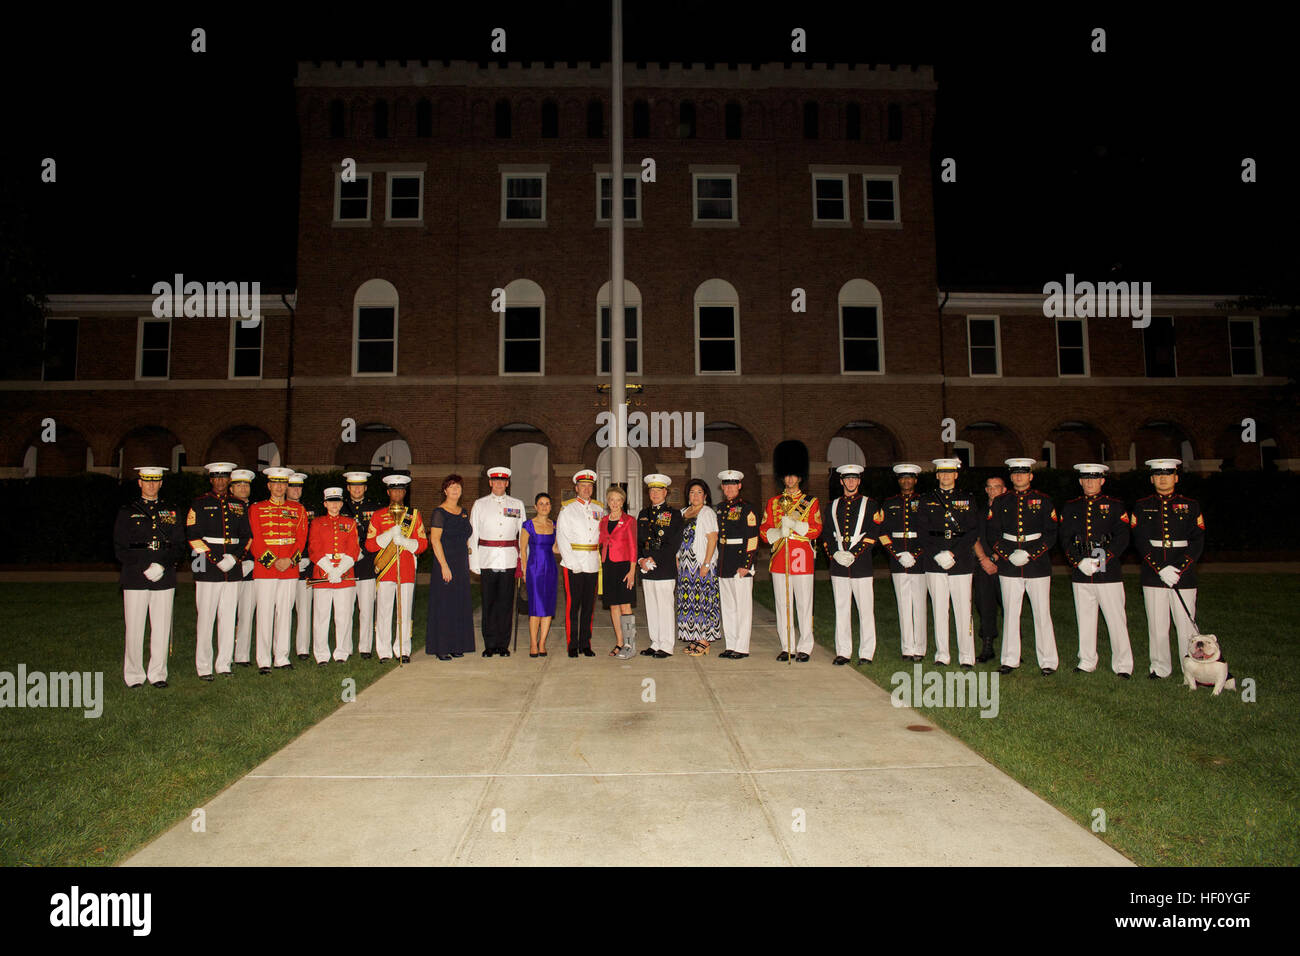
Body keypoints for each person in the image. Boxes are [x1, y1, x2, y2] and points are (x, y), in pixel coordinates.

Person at [1132, 458, 1205, 679]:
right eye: (1158, 475)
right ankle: (1160, 667)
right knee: (1157, 624)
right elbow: (1141, 540)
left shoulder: (1191, 505)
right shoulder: (1142, 505)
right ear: (1152, 478)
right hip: (1154, 574)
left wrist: (1179, 568)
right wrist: (1160, 567)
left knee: (1186, 625)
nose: (1163, 479)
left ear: (1176, 477)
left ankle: (1191, 668)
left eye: (1168, 474)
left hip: (1183, 574)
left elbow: (1198, 540)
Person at [114, 465, 185, 688]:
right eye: (147, 481)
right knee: (134, 628)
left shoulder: (171, 510)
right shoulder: (127, 511)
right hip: (135, 576)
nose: (151, 485)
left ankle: (158, 673)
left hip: (163, 576)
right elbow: (120, 547)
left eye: (156, 481)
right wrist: (145, 565)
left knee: (161, 627)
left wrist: (162, 565)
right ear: (140, 483)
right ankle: (134, 675)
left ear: (161, 483)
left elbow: (179, 545)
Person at [1060, 463, 1133, 678]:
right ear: (1080, 481)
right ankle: (1087, 660)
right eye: (1086, 479)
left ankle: (1123, 665)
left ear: (1102, 480)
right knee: (1085, 618)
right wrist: (1077, 561)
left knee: (1116, 620)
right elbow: (1064, 538)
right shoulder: (1071, 506)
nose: (1090, 482)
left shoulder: (1115, 506)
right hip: (1081, 571)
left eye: (1095, 478)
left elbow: (1122, 537)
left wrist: (1101, 560)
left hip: (1108, 573)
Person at [988, 457, 1059, 676]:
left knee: (1042, 612)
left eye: (1023, 473)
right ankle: (1009, 659)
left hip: (1037, 565)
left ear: (1031, 476)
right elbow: (992, 533)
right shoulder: (1000, 501)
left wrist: (1030, 553)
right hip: (1010, 566)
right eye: (1015, 473)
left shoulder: (1044, 500)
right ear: (1011, 476)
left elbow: (1051, 533)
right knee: (1010, 612)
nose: (1019, 476)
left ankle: (1048, 660)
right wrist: (1008, 554)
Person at [760, 440, 822, 662]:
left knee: (804, 604)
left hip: (802, 558)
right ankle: (788, 646)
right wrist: (777, 532)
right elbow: (764, 530)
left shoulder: (810, 502)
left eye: (793, 475)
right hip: (780, 560)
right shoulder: (774, 502)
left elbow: (816, 529)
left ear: (800, 477)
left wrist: (796, 525)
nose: (790, 479)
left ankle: (805, 646)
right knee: (782, 604)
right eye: (786, 475)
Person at [186, 461, 248, 680]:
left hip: (231, 569)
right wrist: (214, 559)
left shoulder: (239, 505)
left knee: (229, 617)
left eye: (224, 477)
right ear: (211, 480)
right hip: (208, 569)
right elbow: (193, 537)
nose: (221, 481)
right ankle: (204, 666)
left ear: (229, 480)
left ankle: (224, 663)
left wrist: (233, 558)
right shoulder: (199, 504)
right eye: (217, 477)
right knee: (206, 618)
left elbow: (246, 537)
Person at [917, 458, 979, 668]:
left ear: (956, 475)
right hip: (935, 562)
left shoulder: (967, 499)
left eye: (949, 473)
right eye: (941, 473)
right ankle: (942, 654)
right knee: (939, 609)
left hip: (960, 561)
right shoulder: (926, 500)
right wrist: (937, 553)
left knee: (963, 610)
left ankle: (966, 656)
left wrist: (953, 553)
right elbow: (922, 532)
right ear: (937, 476)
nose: (945, 476)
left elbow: (972, 531)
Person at [248, 466, 310, 674]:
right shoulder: (256, 509)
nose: (279, 487)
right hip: (266, 569)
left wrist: (290, 561)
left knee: (285, 613)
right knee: (265, 613)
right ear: (269, 485)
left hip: (289, 569)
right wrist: (273, 561)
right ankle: (264, 659)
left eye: (283, 483)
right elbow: (255, 540)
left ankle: (282, 656)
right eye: (275, 483)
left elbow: (301, 540)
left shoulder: (298, 510)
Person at [823, 463, 881, 665]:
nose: (850, 482)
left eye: (854, 479)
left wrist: (854, 553)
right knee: (841, 609)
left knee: (865, 610)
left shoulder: (870, 504)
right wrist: (834, 554)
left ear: (859, 481)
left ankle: (866, 652)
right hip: (839, 564)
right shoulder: (832, 505)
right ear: (841, 481)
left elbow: (874, 534)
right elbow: (827, 534)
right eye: (847, 479)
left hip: (861, 564)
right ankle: (843, 651)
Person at [366, 473, 427, 663]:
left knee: (404, 612)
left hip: (406, 570)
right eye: (394, 490)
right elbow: (369, 545)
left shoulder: (413, 516)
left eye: (400, 490)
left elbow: (423, 544)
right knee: (384, 612)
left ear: (404, 492)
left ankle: (403, 649)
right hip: (385, 571)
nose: (397, 493)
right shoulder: (378, 515)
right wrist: (387, 537)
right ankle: (383, 651)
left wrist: (406, 542)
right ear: (388, 492)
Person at [468, 466, 526, 658]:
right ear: (490, 483)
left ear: (507, 483)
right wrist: (474, 562)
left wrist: (522, 561)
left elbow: (523, 535)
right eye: (496, 481)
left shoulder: (517, 504)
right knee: (489, 603)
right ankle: (489, 644)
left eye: (503, 481)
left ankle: (503, 644)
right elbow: (473, 533)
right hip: (487, 558)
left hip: (509, 559)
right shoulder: (480, 504)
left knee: (506, 603)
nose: (500, 484)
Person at [876, 464, 928, 661]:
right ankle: (907, 648)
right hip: (898, 560)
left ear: (915, 480)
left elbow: (928, 533)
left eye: (910, 478)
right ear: (898, 481)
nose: (906, 482)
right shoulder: (889, 503)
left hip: (919, 559)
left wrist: (915, 553)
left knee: (919, 605)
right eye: (902, 478)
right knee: (903, 604)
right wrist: (897, 554)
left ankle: (920, 648)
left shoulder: (924, 502)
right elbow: (882, 533)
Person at [307, 487, 360, 664]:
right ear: (325, 504)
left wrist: (340, 570)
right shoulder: (316, 522)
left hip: (345, 574)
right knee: (321, 616)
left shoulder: (350, 523)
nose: (334, 505)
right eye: (330, 501)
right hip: (323, 573)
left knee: (343, 616)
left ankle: (342, 652)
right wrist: (330, 570)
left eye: (337, 501)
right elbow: (314, 548)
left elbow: (354, 549)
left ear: (342, 503)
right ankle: (321, 654)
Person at [556, 469, 604, 657]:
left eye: (589, 486)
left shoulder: (599, 509)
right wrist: (572, 563)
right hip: (573, 563)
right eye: (583, 486)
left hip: (592, 562)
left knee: (588, 606)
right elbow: (562, 537)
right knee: (572, 605)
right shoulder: (567, 509)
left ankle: (586, 643)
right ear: (576, 488)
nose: (586, 489)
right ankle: (572, 644)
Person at [425, 474, 474, 660]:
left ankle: (456, 644)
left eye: (458, 487)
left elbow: (466, 537)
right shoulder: (439, 512)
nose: (455, 490)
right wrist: (444, 566)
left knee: (458, 604)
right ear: (445, 490)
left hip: (461, 563)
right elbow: (435, 540)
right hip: (445, 563)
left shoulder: (464, 511)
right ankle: (442, 647)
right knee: (444, 605)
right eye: (451, 487)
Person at [715, 470, 759, 660]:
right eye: (726, 484)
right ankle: (731, 644)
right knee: (728, 607)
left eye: (733, 484)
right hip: (724, 561)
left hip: (740, 562)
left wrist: (746, 564)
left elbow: (752, 538)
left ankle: (742, 647)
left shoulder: (747, 508)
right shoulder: (720, 508)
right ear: (722, 487)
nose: (729, 488)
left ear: (739, 486)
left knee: (742, 607)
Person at [675, 478, 721, 655]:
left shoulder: (707, 512)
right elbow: (678, 539)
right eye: (692, 492)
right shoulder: (683, 512)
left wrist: (707, 563)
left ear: (705, 496)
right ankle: (694, 637)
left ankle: (704, 640)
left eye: (699, 492)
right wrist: (677, 557)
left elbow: (712, 539)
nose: (695, 495)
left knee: (702, 600)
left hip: (700, 562)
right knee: (688, 600)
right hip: (685, 564)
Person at [341, 471, 380, 658]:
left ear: (365, 488)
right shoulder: (340, 507)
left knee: (366, 608)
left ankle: (365, 647)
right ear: (348, 488)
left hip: (366, 564)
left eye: (360, 486)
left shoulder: (375, 508)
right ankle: (345, 647)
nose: (357, 489)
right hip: (344, 565)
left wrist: (363, 551)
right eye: (353, 486)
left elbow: (376, 534)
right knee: (345, 609)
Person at [600, 486, 639, 658]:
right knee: (613, 605)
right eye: (611, 500)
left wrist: (632, 571)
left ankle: (630, 644)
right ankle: (620, 642)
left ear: (623, 502)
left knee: (625, 605)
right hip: (608, 565)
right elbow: (600, 542)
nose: (615, 503)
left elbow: (633, 546)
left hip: (624, 566)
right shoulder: (603, 521)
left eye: (618, 500)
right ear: (608, 502)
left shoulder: (629, 520)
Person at [972, 475, 1007, 662]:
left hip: (1006, 565)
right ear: (986, 490)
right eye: (990, 487)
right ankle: (987, 647)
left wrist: (995, 557)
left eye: (997, 487)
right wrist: (984, 559)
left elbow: (1010, 537)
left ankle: (1012, 648)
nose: (993, 490)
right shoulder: (979, 512)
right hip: (983, 566)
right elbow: (974, 537)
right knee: (985, 606)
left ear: (1004, 489)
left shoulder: (1010, 511)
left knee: (1009, 607)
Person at [520, 492, 559, 657]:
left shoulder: (555, 525)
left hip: (551, 568)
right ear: (536, 506)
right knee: (536, 607)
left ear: (551, 506)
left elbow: (556, 548)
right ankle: (532, 643)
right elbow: (522, 549)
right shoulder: (528, 525)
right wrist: (523, 570)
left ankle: (542, 643)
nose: (544, 506)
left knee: (548, 607)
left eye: (547, 503)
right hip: (534, 569)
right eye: (541, 503)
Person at [229, 468, 257, 667]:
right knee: (228, 613)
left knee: (247, 612)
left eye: (246, 485)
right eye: (238, 485)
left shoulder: (255, 509)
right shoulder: (226, 509)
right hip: (230, 566)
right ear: (231, 488)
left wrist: (252, 560)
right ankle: (226, 653)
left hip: (253, 567)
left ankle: (242, 655)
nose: (243, 488)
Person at [287, 472, 315, 661]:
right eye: (292, 486)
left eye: (299, 487)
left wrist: (308, 559)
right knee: (283, 610)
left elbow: (315, 538)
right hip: (285, 566)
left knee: (304, 609)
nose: (296, 490)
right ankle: (280, 648)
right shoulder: (280, 509)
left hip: (306, 567)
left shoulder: (310, 509)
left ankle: (303, 648)